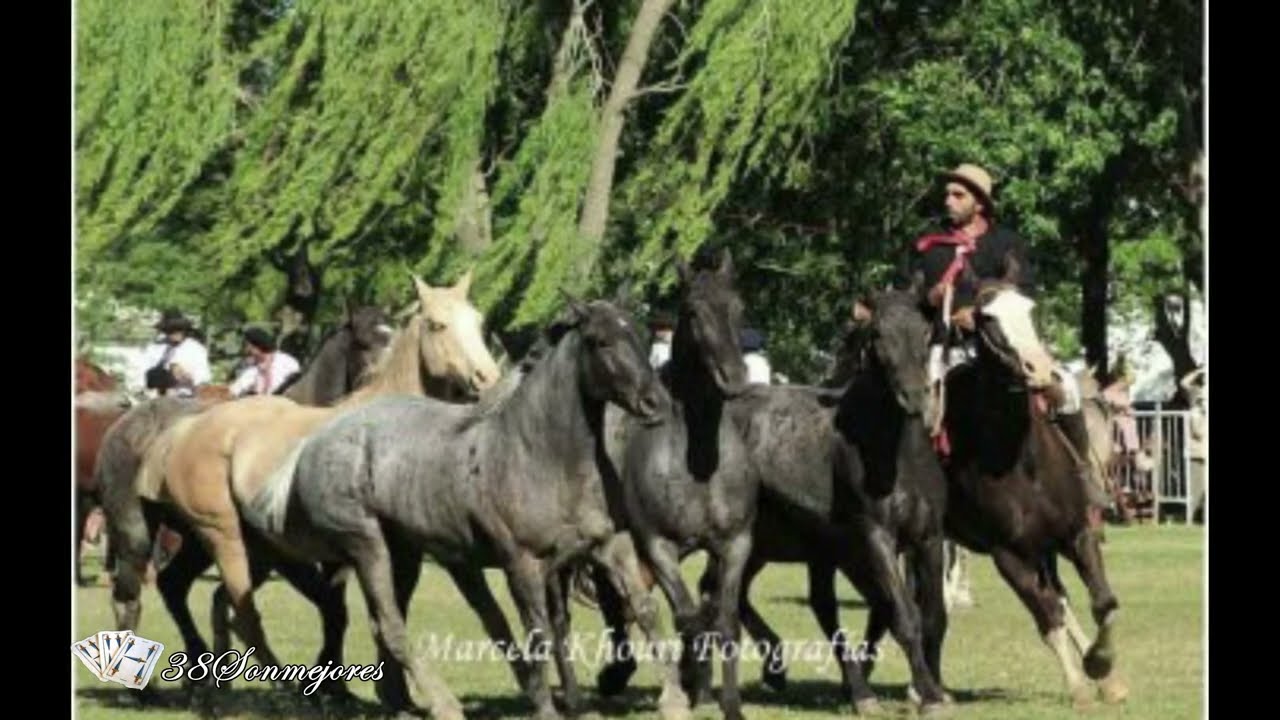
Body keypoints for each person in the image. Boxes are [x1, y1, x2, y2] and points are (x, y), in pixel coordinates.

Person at [908, 163, 1106, 506]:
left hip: (1005, 345)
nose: (948, 201)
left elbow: (1023, 292)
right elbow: (907, 298)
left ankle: (1082, 476)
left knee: (1069, 389)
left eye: (958, 195)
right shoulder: (928, 247)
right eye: (947, 195)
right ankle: (924, 495)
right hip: (947, 349)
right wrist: (930, 298)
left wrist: (983, 313)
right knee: (922, 410)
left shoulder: (1006, 243)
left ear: (979, 203)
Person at [138, 308, 211, 398]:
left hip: (185, 396)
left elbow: (202, 378)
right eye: (170, 331)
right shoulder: (155, 348)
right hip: (156, 397)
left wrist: (186, 377)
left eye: (178, 330)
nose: (175, 334)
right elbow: (143, 372)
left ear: (184, 330)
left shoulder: (195, 349)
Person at [229, 326, 302, 397]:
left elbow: (298, 385)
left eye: (247, 346)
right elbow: (233, 391)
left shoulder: (288, 362)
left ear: (256, 347)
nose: (246, 350)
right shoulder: (252, 371)